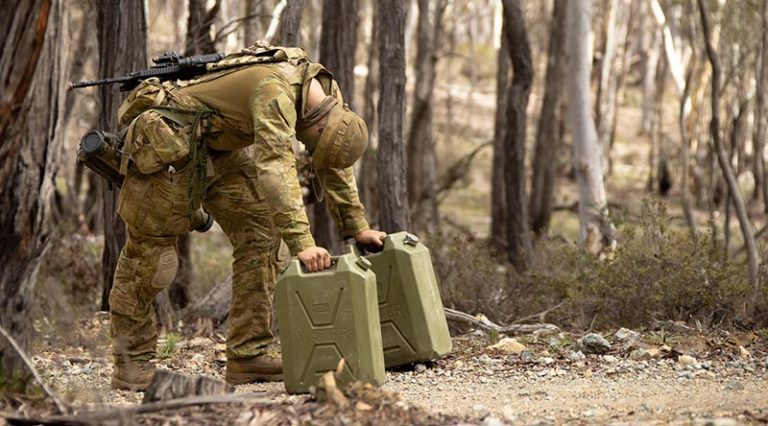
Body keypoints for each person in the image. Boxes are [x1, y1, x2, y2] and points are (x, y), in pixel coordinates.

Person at [109, 41, 386, 391]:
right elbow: (276, 167)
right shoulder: (277, 91)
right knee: (149, 256)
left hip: (217, 144)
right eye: (311, 145)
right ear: (317, 128)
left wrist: (356, 226)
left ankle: (247, 353)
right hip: (170, 140)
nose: (309, 148)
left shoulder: (327, 98)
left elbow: (334, 163)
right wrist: (303, 242)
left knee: (263, 234)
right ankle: (130, 362)